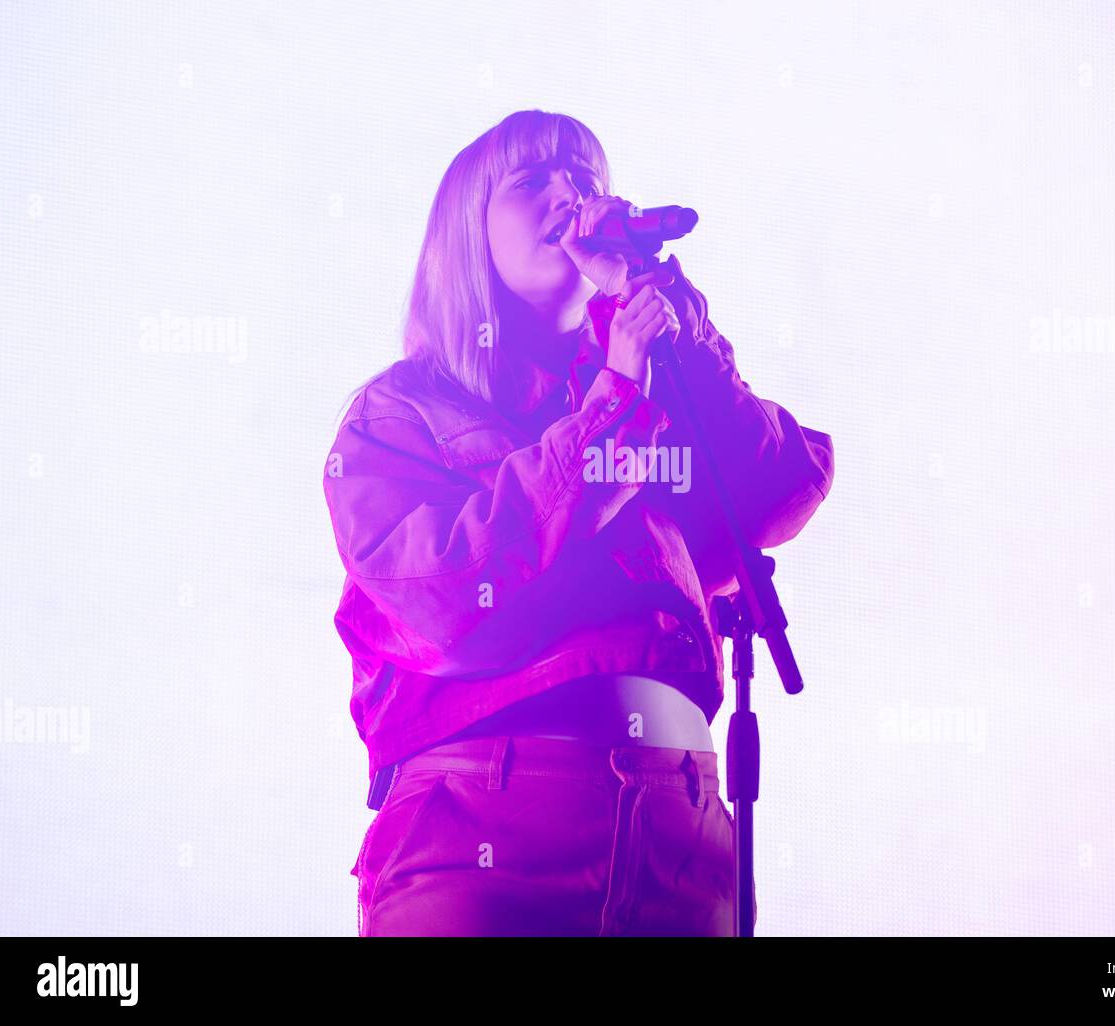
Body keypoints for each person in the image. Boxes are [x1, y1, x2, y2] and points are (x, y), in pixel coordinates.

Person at [323, 110, 835, 936]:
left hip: (683, 838)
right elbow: (451, 597)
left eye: (584, 178)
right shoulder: (397, 415)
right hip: (485, 835)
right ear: (466, 233)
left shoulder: (653, 380)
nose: (569, 196)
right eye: (531, 181)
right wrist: (612, 412)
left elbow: (776, 487)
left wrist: (657, 313)